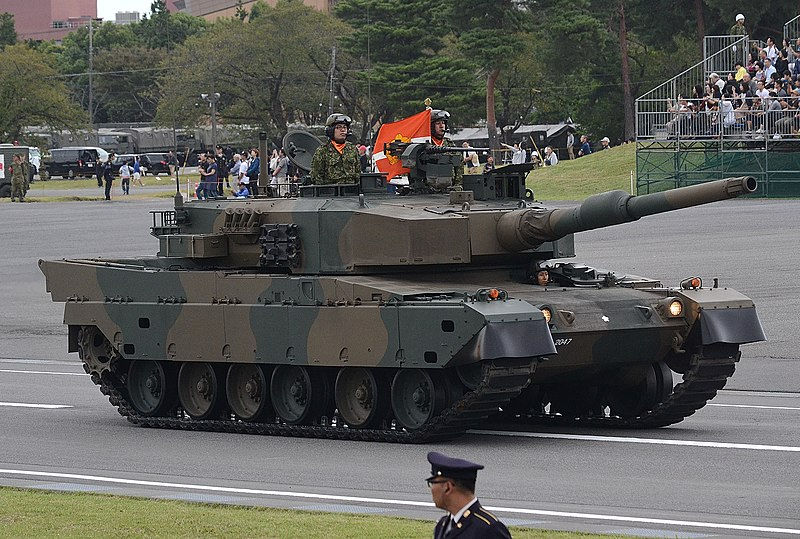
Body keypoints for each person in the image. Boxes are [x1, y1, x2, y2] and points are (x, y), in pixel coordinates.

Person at [426, 451, 511, 539]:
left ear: (448, 487)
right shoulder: (443, 525)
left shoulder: (489, 529)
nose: (431, 489)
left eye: (432, 483)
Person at [310, 113, 361, 185]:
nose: (343, 130)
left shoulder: (352, 149)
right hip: (330, 192)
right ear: (331, 130)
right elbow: (316, 176)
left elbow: (358, 172)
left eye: (345, 127)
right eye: (338, 127)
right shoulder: (323, 151)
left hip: (351, 191)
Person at [427, 109, 463, 186]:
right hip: (428, 189)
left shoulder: (449, 144)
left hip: (449, 187)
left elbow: (459, 166)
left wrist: (457, 186)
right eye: (438, 123)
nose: (441, 126)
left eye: (443, 123)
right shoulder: (425, 144)